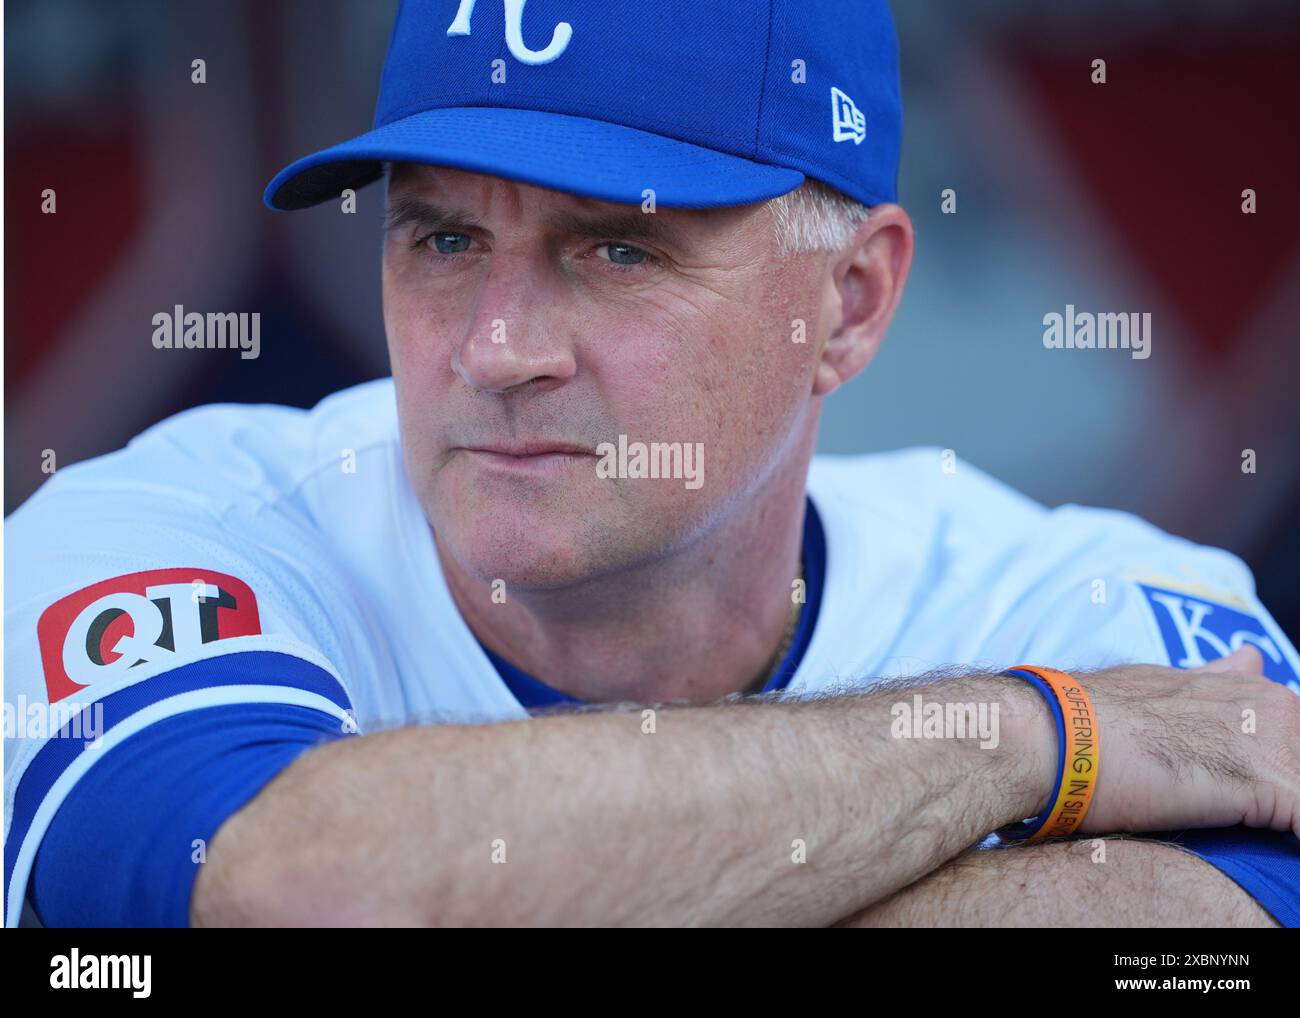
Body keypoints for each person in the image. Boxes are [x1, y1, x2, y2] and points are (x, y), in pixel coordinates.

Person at [5, 0, 1297, 928]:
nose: (497, 350)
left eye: (617, 249)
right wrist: (1030, 736)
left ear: (848, 302)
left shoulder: (1083, 597)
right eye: (444, 240)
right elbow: (306, 886)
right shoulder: (157, 530)